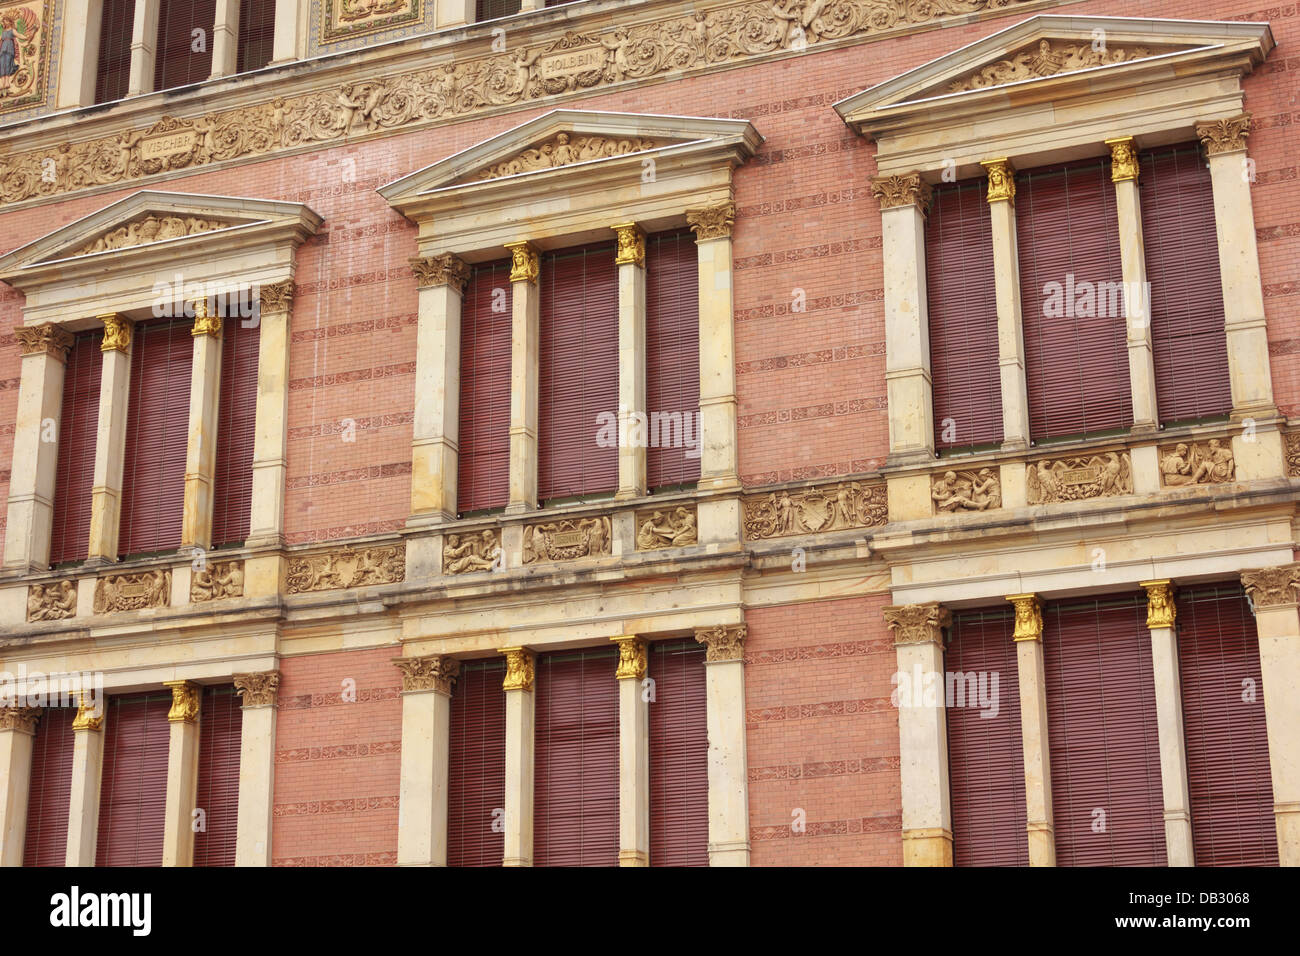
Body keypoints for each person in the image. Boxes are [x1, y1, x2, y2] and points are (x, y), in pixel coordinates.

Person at [0, 17, 18, 96]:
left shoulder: (12, 31)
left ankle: (7, 82)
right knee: (1, 65)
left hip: (9, 49)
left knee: (7, 64)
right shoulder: (3, 32)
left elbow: (19, 35)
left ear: (10, 22)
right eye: (4, 21)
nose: (4, 23)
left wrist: (26, 37)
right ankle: (2, 83)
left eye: (6, 21)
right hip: (3, 50)